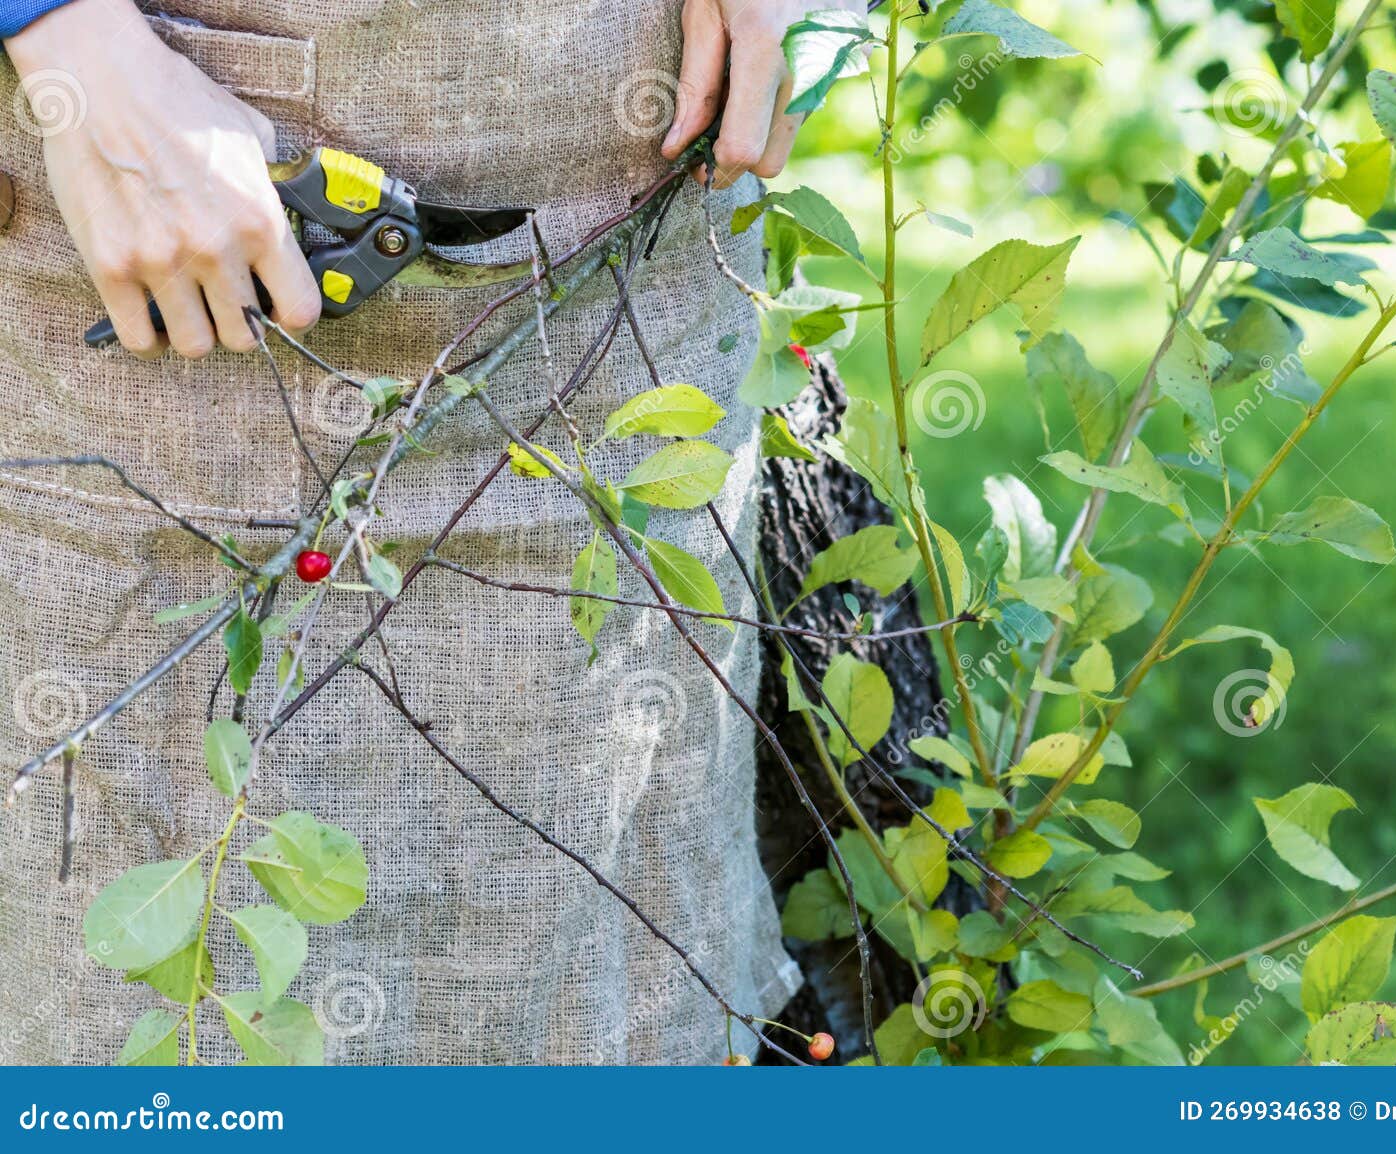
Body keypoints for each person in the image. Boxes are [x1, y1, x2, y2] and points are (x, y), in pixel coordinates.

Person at [0, 0, 843, 1064]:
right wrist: (70, 40)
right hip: (171, 231)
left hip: (641, 251)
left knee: (613, 1003)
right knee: (150, 1029)